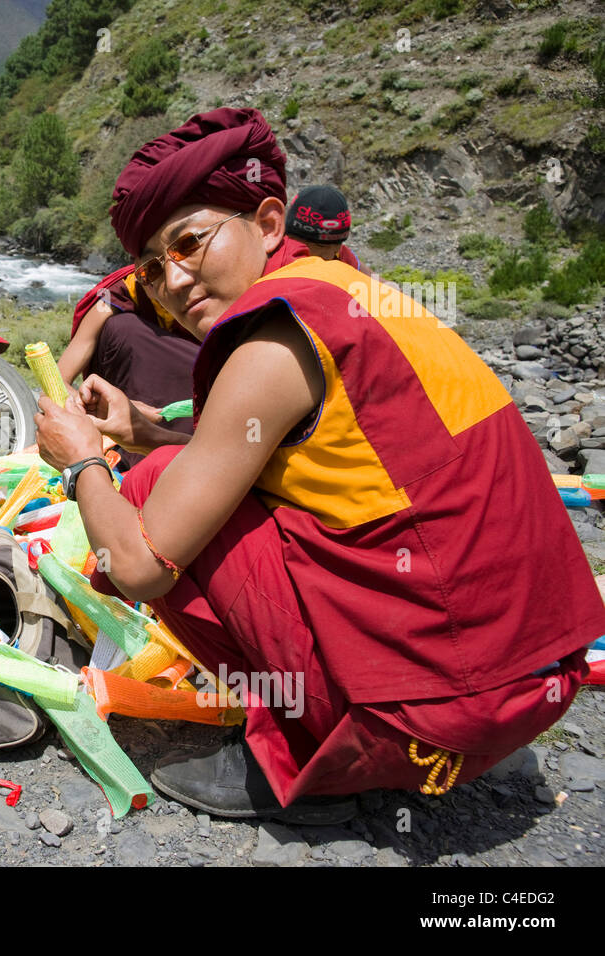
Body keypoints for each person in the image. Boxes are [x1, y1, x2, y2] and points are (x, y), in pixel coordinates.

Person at [34, 108, 605, 823]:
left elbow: (140, 567)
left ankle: (307, 751)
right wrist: (147, 429)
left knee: (149, 498)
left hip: (440, 717)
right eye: (152, 270)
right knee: (175, 474)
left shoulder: (268, 343)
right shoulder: (348, 294)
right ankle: (449, 731)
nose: (174, 282)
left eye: (189, 243)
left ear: (269, 223)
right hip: (532, 685)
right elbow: (273, 458)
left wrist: (84, 460)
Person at [57, 266, 198, 450]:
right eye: (152, 265)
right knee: (122, 328)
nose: (172, 281)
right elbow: (59, 380)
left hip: (206, 409)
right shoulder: (122, 290)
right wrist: (114, 406)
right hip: (125, 417)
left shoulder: (217, 292)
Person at [284, 184, 359, 267]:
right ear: (291, 237)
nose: (329, 256)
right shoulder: (274, 258)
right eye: (320, 246)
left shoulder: (342, 255)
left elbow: (373, 277)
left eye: (337, 246)